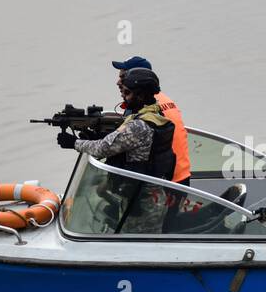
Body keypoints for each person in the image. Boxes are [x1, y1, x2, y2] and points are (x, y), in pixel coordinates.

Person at [59, 67, 177, 232]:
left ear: (141, 95)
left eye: (128, 92)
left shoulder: (139, 125)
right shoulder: (156, 116)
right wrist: (93, 137)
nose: (123, 95)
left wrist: (74, 142)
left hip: (141, 202)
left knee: (134, 249)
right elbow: (120, 143)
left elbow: (103, 148)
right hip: (150, 196)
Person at [112, 55, 191, 185]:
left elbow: (128, 139)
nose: (118, 82)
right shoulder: (164, 99)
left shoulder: (141, 104)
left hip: (164, 181)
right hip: (181, 174)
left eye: (122, 77)